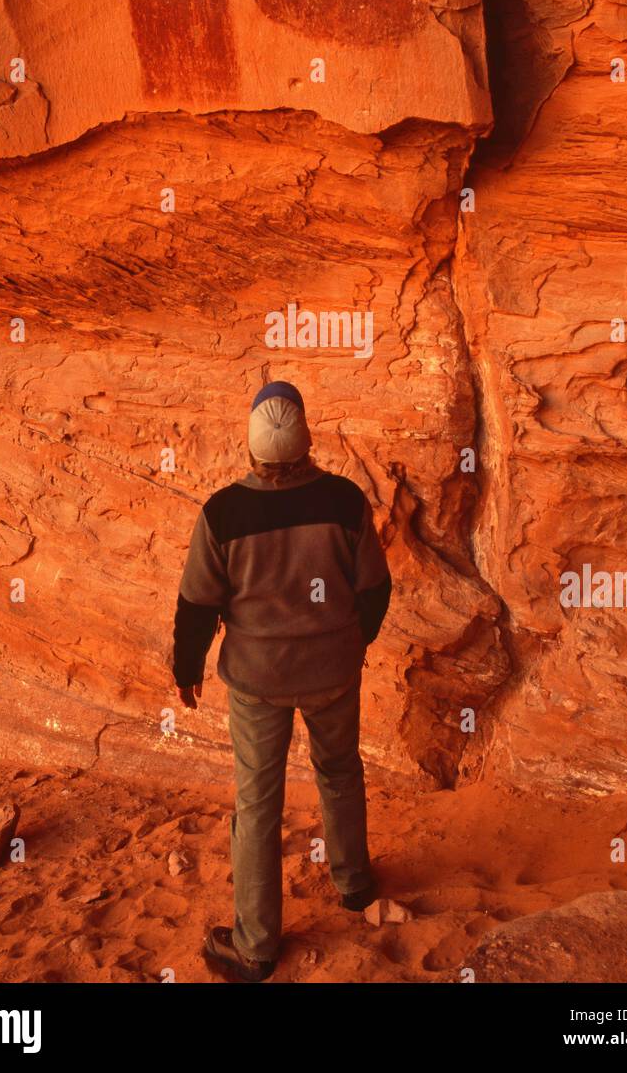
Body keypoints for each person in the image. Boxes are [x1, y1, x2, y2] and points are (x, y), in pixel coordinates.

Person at [173, 380, 392, 982]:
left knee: (259, 803)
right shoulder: (345, 501)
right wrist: (353, 641)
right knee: (341, 771)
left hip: (257, 680)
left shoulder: (223, 513)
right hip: (333, 671)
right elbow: (376, 590)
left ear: (250, 452)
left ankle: (257, 947)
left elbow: (196, 604)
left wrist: (186, 669)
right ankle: (353, 885)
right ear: (308, 441)